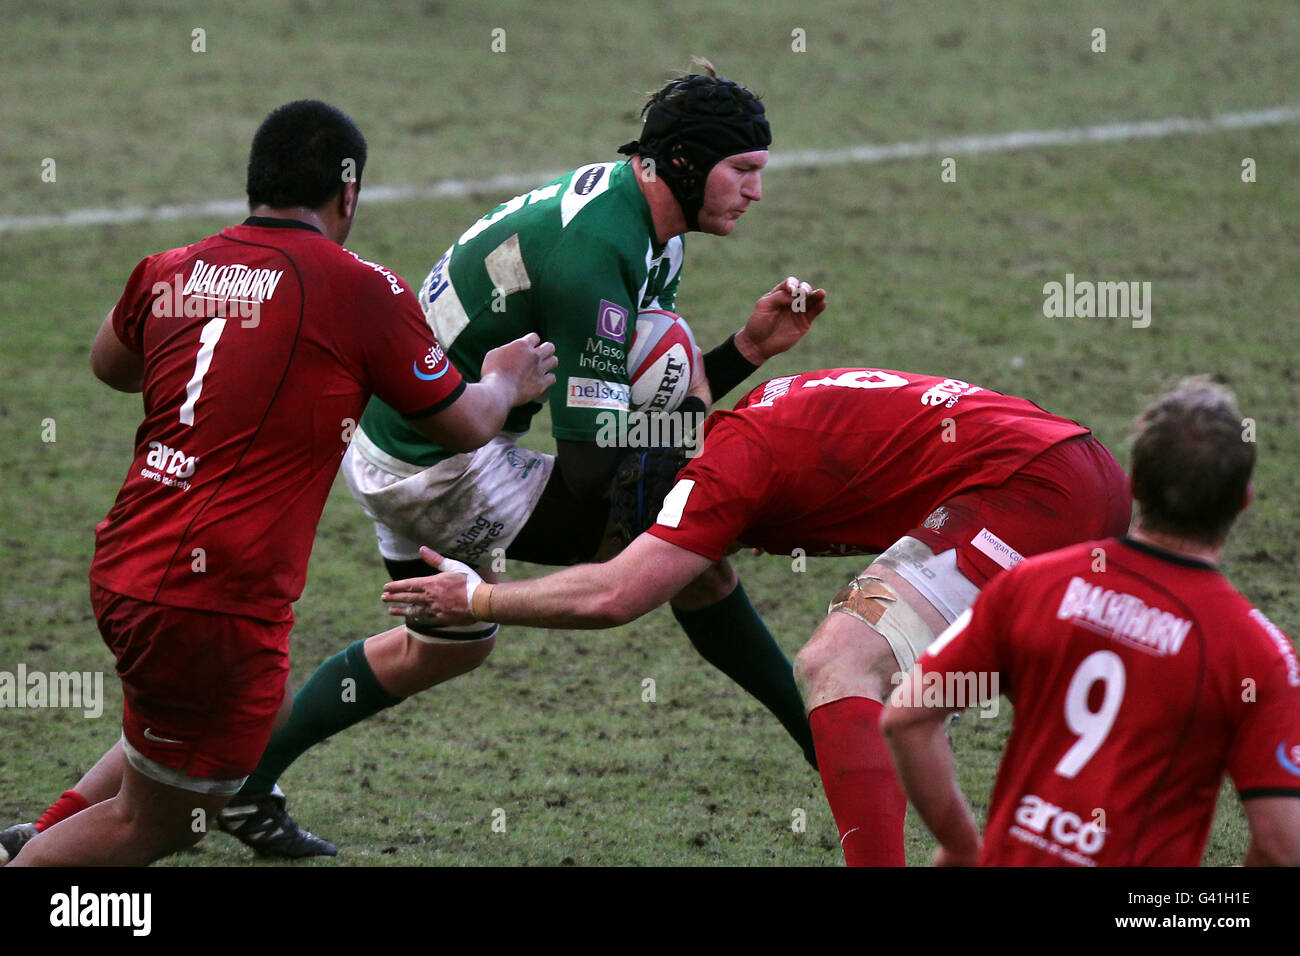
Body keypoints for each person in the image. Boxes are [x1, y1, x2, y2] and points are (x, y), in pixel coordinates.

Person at [210, 61, 827, 858]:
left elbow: (658, 390)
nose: (755, 191)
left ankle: (240, 788)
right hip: (436, 464)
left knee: (436, 647)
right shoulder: (598, 251)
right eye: (742, 170)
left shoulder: (644, 218)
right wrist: (693, 446)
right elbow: (588, 471)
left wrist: (744, 350)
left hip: (414, 437)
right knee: (688, 549)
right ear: (685, 163)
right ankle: (825, 743)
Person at [1, 100, 556, 867]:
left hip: (133, 557)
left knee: (211, 725)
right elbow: (462, 425)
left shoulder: (170, 267)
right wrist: (505, 378)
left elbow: (111, 365)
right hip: (213, 589)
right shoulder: (358, 286)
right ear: (348, 195)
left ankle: (45, 827)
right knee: (155, 824)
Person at [378, 366, 1133, 866]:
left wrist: (475, 597)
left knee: (839, 663)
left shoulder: (718, 476)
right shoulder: (754, 423)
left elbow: (616, 592)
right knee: (945, 705)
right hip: (1077, 469)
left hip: (1027, 492)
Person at [881, 377, 1300, 866]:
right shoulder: (1258, 652)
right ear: (1243, 501)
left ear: (1135, 484)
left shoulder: (1033, 584)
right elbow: (1281, 845)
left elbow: (907, 718)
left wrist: (960, 846)